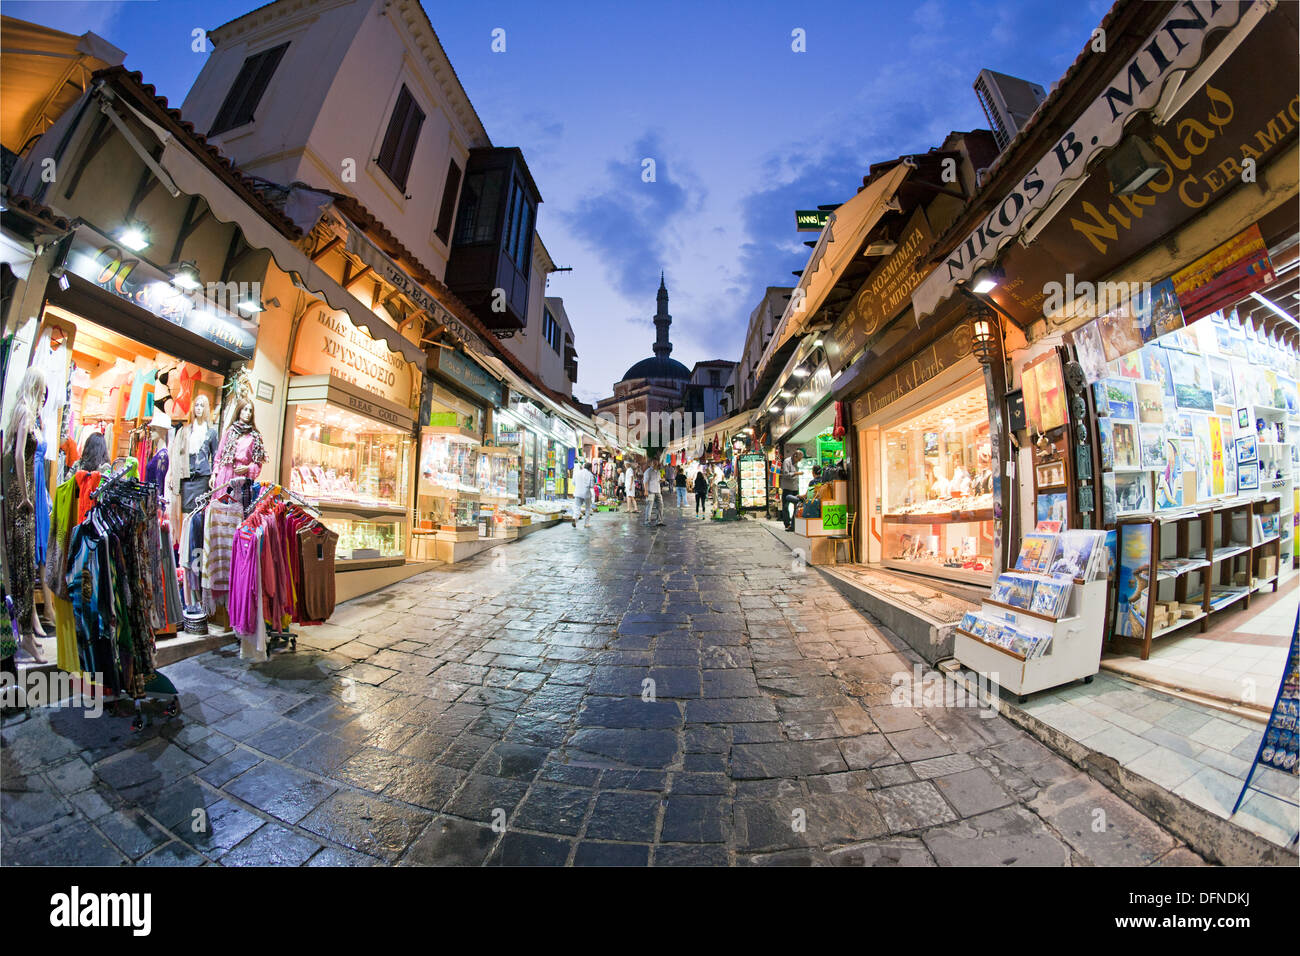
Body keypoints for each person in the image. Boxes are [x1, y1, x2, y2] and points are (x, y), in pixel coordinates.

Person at [780, 449, 804, 531]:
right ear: (795, 456)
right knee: (785, 506)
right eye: (799, 459)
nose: (799, 461)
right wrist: (796, 473)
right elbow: (785, 474)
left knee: (796, 506)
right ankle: (787, 524)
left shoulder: (797, 463)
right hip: (787, 488)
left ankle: (794, 524)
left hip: (795, 487)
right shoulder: (787, 462)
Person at [572, 463, 595, 528]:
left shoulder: (577, 473)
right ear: (590, 468)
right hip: (586, 493)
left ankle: (575, 518)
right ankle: (586, 523)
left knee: (577, 507)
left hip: (577, 492)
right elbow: (592, 485)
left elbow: (573, 482)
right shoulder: (590, 474)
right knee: (587, 508)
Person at [643, 461, 664, 526]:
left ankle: (659, 521)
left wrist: (662, 480)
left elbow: (658, 480)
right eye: (654, 463)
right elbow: (645, 481)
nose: (655, 464)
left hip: (658, 491)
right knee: (649, 506)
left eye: (656, 463)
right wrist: (646, 490)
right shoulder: (648, 471)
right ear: (651, 464)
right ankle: (647, 521)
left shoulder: (658, 471)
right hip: (650, 491)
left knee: (660, 506)